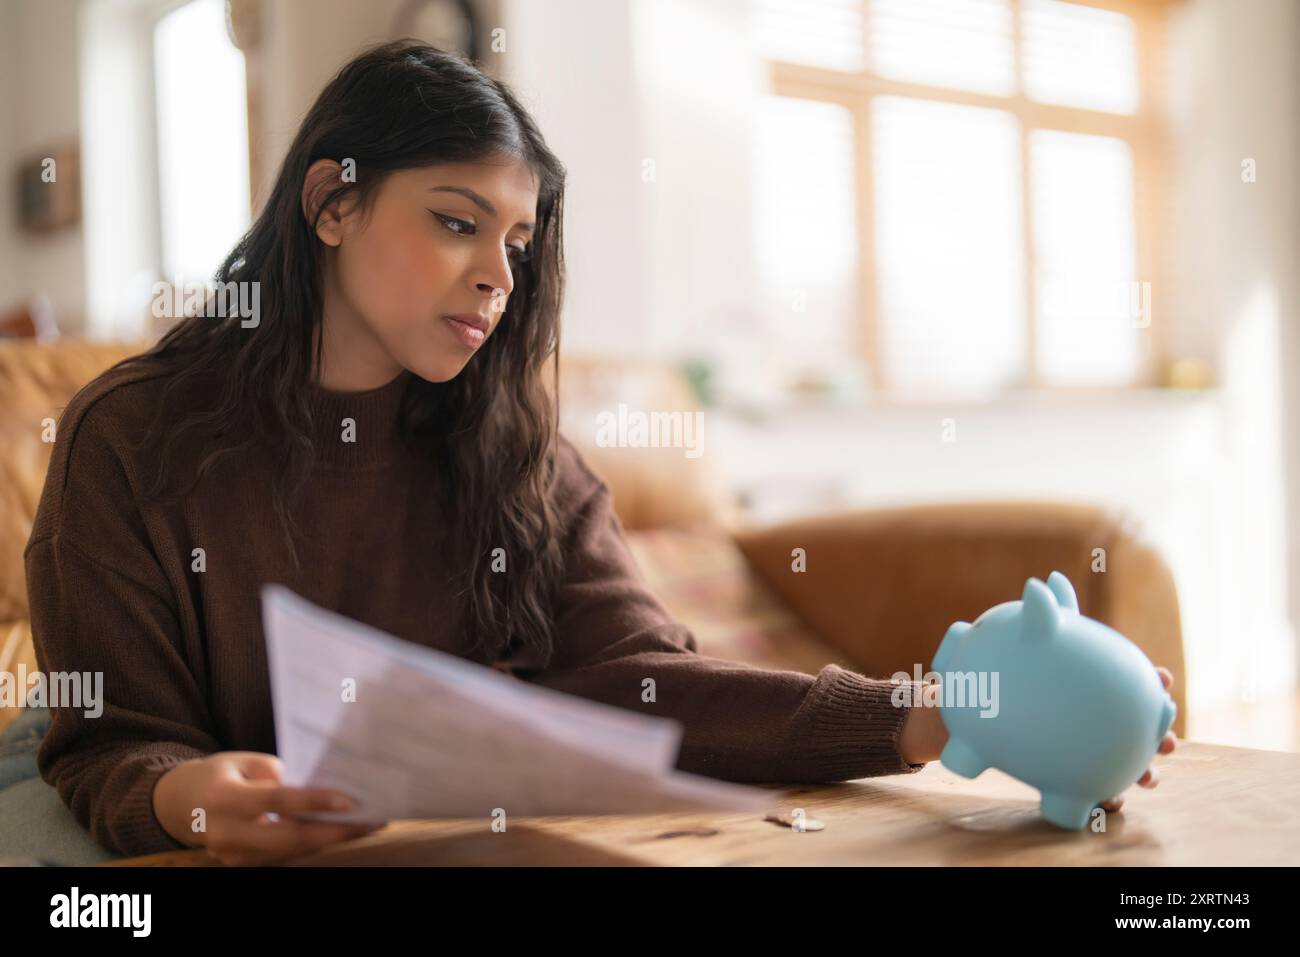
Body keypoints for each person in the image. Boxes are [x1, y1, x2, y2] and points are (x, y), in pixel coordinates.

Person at [24, 40, 1174, 866]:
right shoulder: (131, 440)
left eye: (517, 241)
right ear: (332, 202)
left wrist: (925, 714)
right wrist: (183, 798)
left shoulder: (516, 456)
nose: (498, 276)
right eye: (456, 219)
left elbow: (638, 682)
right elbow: (112, 739)